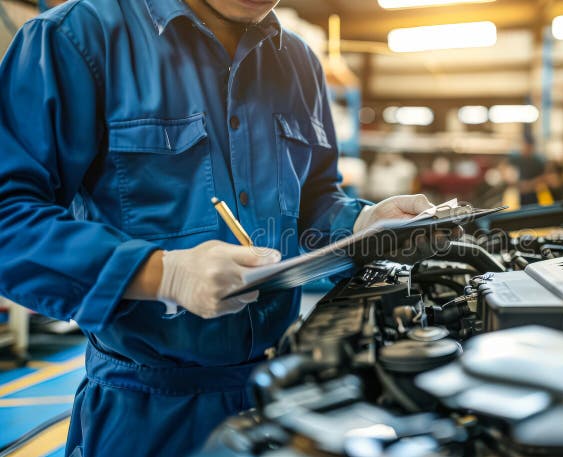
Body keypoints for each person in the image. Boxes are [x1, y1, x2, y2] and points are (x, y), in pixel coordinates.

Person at [0, 1, 434, 455]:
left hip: (284, 392)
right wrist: (161, 274)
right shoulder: (78, 38)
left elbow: (313, 200)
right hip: (148, 414)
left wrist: (363, 224)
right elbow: (8, 219)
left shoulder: (299, 63)